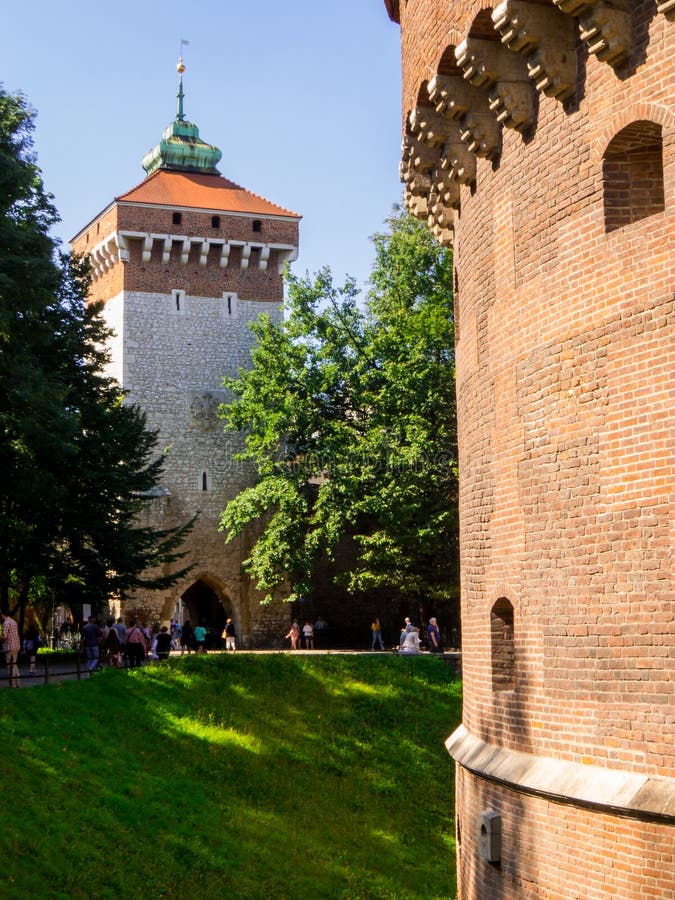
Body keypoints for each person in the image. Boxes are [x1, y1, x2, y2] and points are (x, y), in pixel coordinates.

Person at [1, 612, 21, 687]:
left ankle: (12, 685)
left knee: (10, 666)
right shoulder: (14, 622)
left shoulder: (6, 623)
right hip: (16, 646)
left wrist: (1, 640)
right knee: (14, 665)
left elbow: (4, 636)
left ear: (3, 615)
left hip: (9, 647)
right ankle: (18, 683)